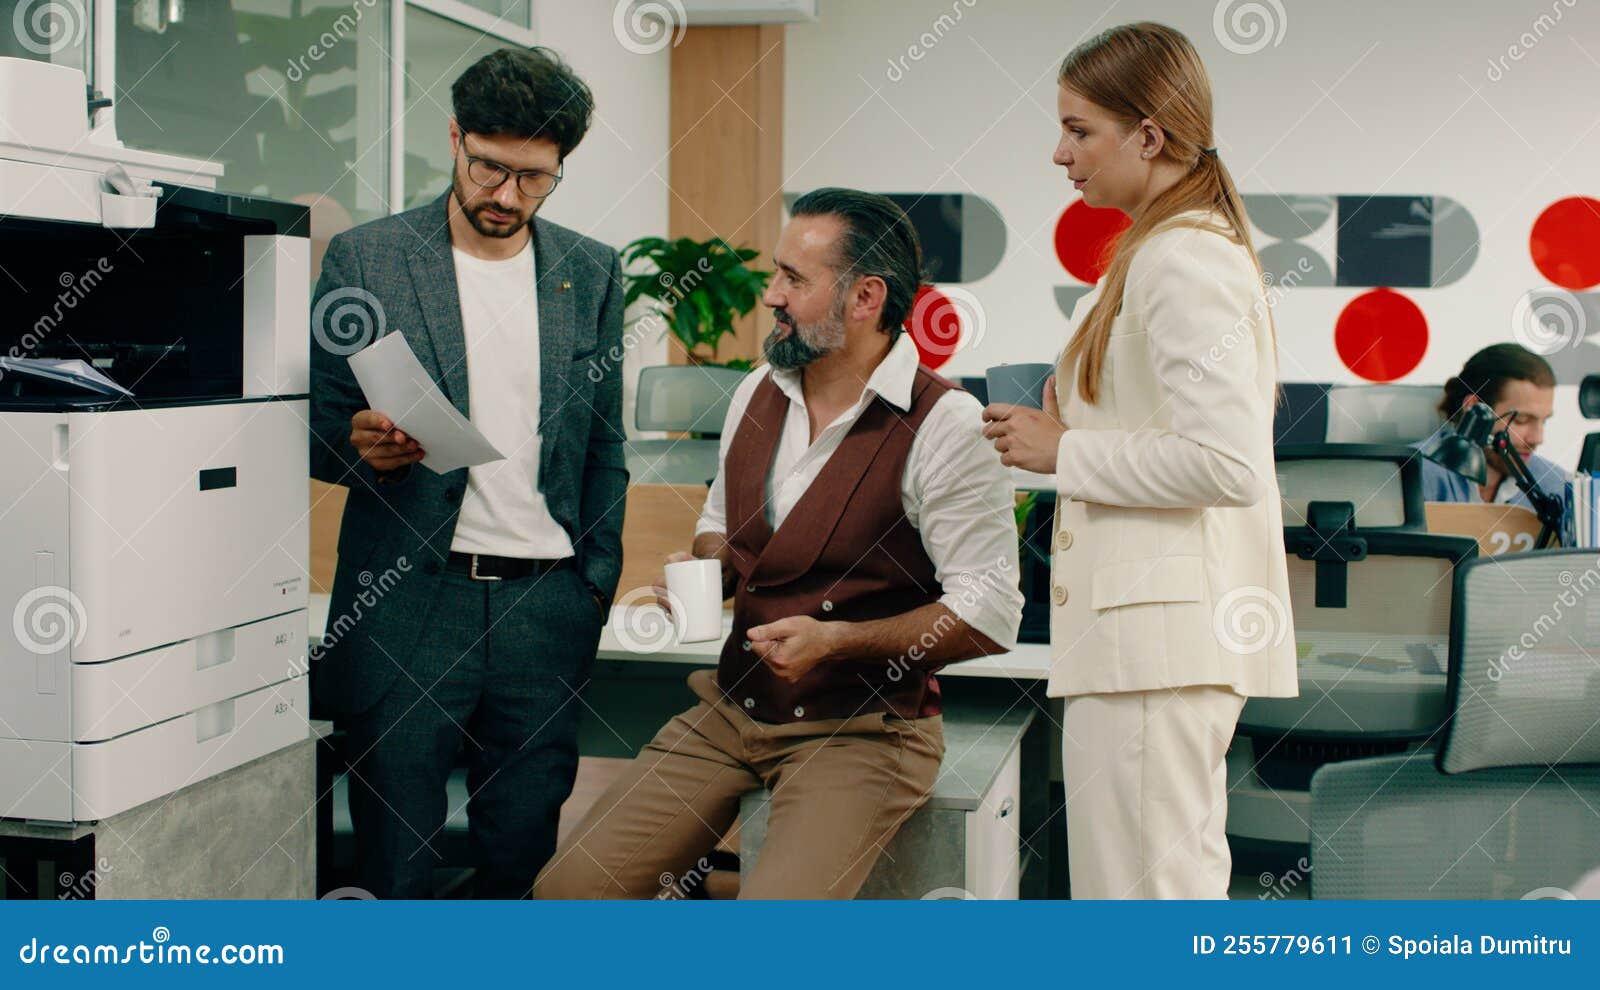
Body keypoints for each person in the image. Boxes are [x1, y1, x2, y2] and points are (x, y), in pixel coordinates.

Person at [534, 189, 1023, 899]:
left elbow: (989, 610)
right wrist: (708, 565)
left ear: (865, 297)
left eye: (795, 279)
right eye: (776, 273)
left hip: (864, 731)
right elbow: (721, 519)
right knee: (569, 893)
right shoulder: (757, 390)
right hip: (733, 708)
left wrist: (837, 642)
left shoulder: (946, 425)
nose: (772, 295)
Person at [981, 22, 1297, 899]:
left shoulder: (1186, 257)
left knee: (1146, 903)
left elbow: (1227, 464)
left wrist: (1068, 449)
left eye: (1079, 130)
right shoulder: (1157, 250)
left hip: (1158, 647)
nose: (1060, 152)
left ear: (1148, 137)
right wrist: (1071, 424)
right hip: (1140, 645)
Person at [307, 47, 627, 899]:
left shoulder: (590, 271)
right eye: (489, 167)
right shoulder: (370, 259)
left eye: (535, 179)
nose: (507, 196)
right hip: (410, 601)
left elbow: (603, 445)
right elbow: (313, 427)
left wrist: (594, 579)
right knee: (394, 864)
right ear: (454, 139)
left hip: (546, 606)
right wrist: (358, 446)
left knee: (520, 861)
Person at [1416, 343, 1565, 513]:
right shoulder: (1410, 476)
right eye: (1522, 420)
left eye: (1543, 421)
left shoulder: (1556, 487)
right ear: (1473, 407)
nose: (1538, 438)